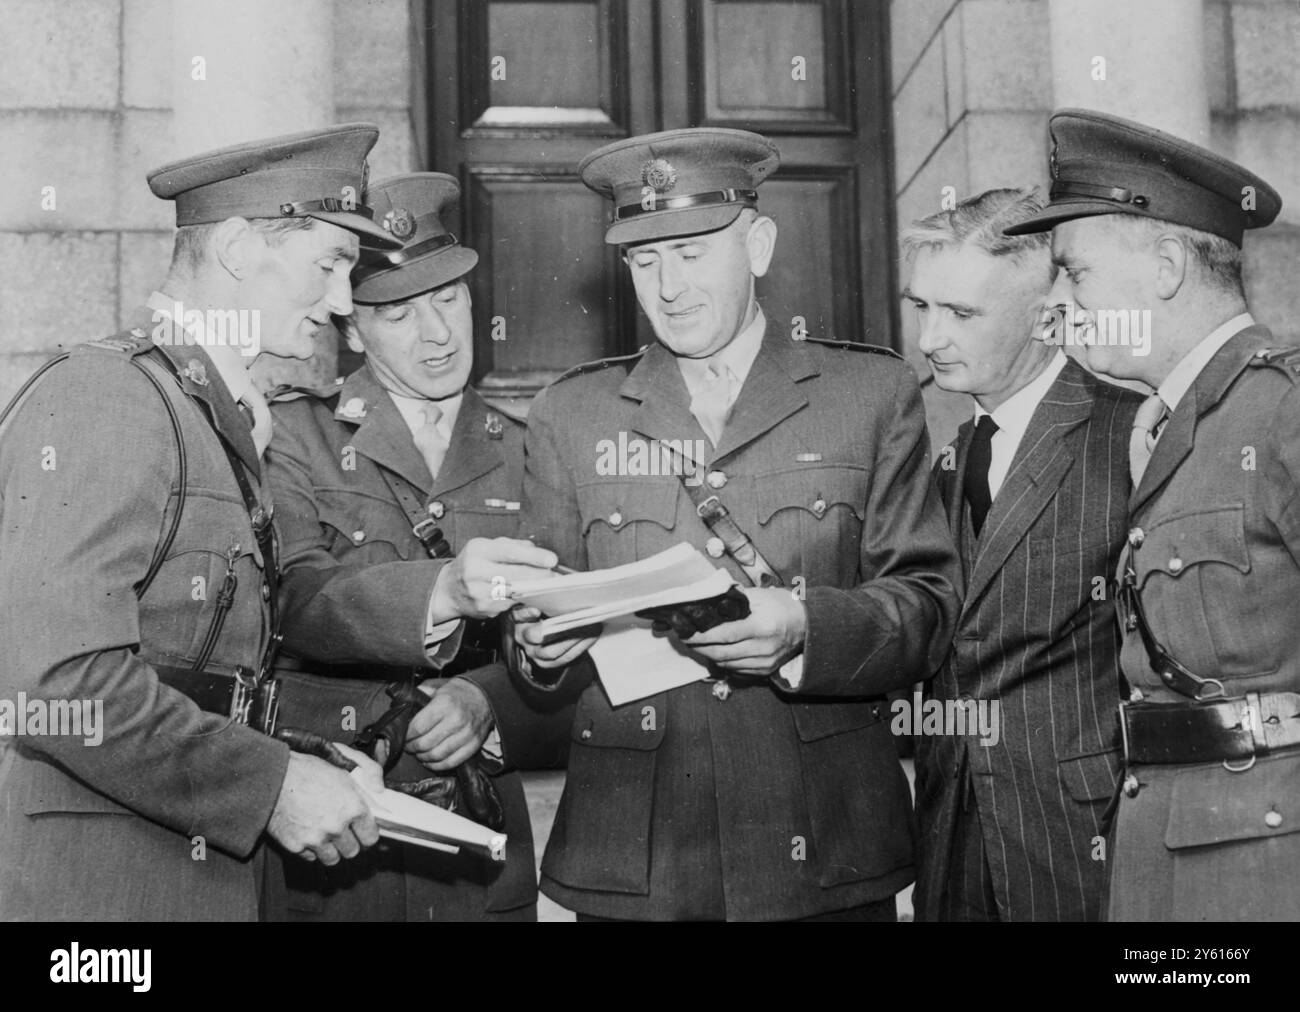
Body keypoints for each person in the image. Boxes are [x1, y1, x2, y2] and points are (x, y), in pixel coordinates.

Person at [510, 127, 962, 921]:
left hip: (823, 845)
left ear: (757, 245)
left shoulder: (868, 393)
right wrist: (537, 647)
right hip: (637, 860)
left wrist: (804, 629)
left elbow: (926, 606)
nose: (668, 286)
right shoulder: (569, 415)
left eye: (690, 253)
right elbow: (533, 633)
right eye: (644, 261)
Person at [0, 123, 398, 920]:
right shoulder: (108, 396)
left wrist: (301, 756)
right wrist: (271, 785)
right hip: (101, 896)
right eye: (330, 264)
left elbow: (189, 666)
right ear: (242, 246)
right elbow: (53, 686)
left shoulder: (212, 413)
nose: (343, 303)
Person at [1006, 108, 1298, 920]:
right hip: (1161, 849)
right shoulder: (1158, 426)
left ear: (1167, 266)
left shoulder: (1282, 412)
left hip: (1263, 870)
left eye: (1075, 273)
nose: (1057, 304)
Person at [261, 173, 570, 921]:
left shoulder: (532, 451)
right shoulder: (294, 439)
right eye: (398, 313)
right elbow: (294, 601)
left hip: (478, 831)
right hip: (336, 835)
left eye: (448, 301)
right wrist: (443, 594)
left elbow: (578, 649)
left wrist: (488, 701)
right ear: (352, 329)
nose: (436, 335)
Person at [901, 187, 1139, 921]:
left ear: (1047, 317)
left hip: (1081, 838)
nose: (929, 338)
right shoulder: (936, 448)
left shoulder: (1129, 436)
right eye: (921, 307)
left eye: (962, 314)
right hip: (951, 840)